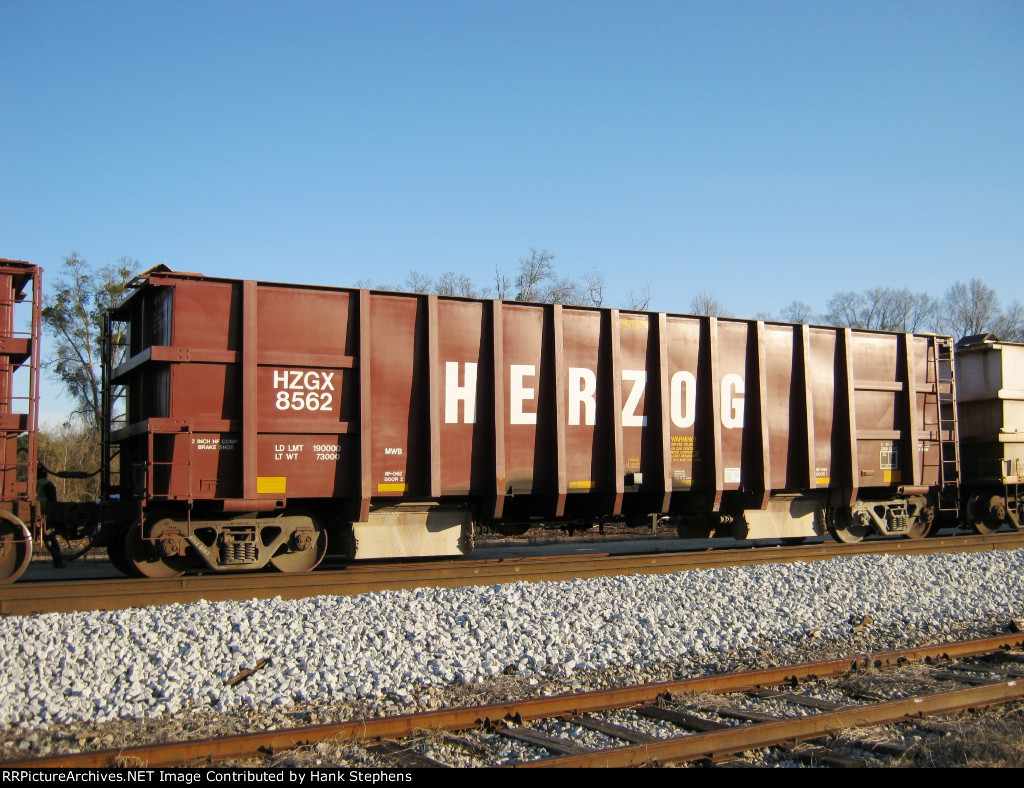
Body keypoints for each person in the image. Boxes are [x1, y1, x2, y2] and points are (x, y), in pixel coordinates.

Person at [37, 467, 63, 568]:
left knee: (48, 538)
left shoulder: (32, 484)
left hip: (34, 514)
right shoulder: (47, 485)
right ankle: (57, 561)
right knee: (52, 537)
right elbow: (53, 503)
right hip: (45, 515)